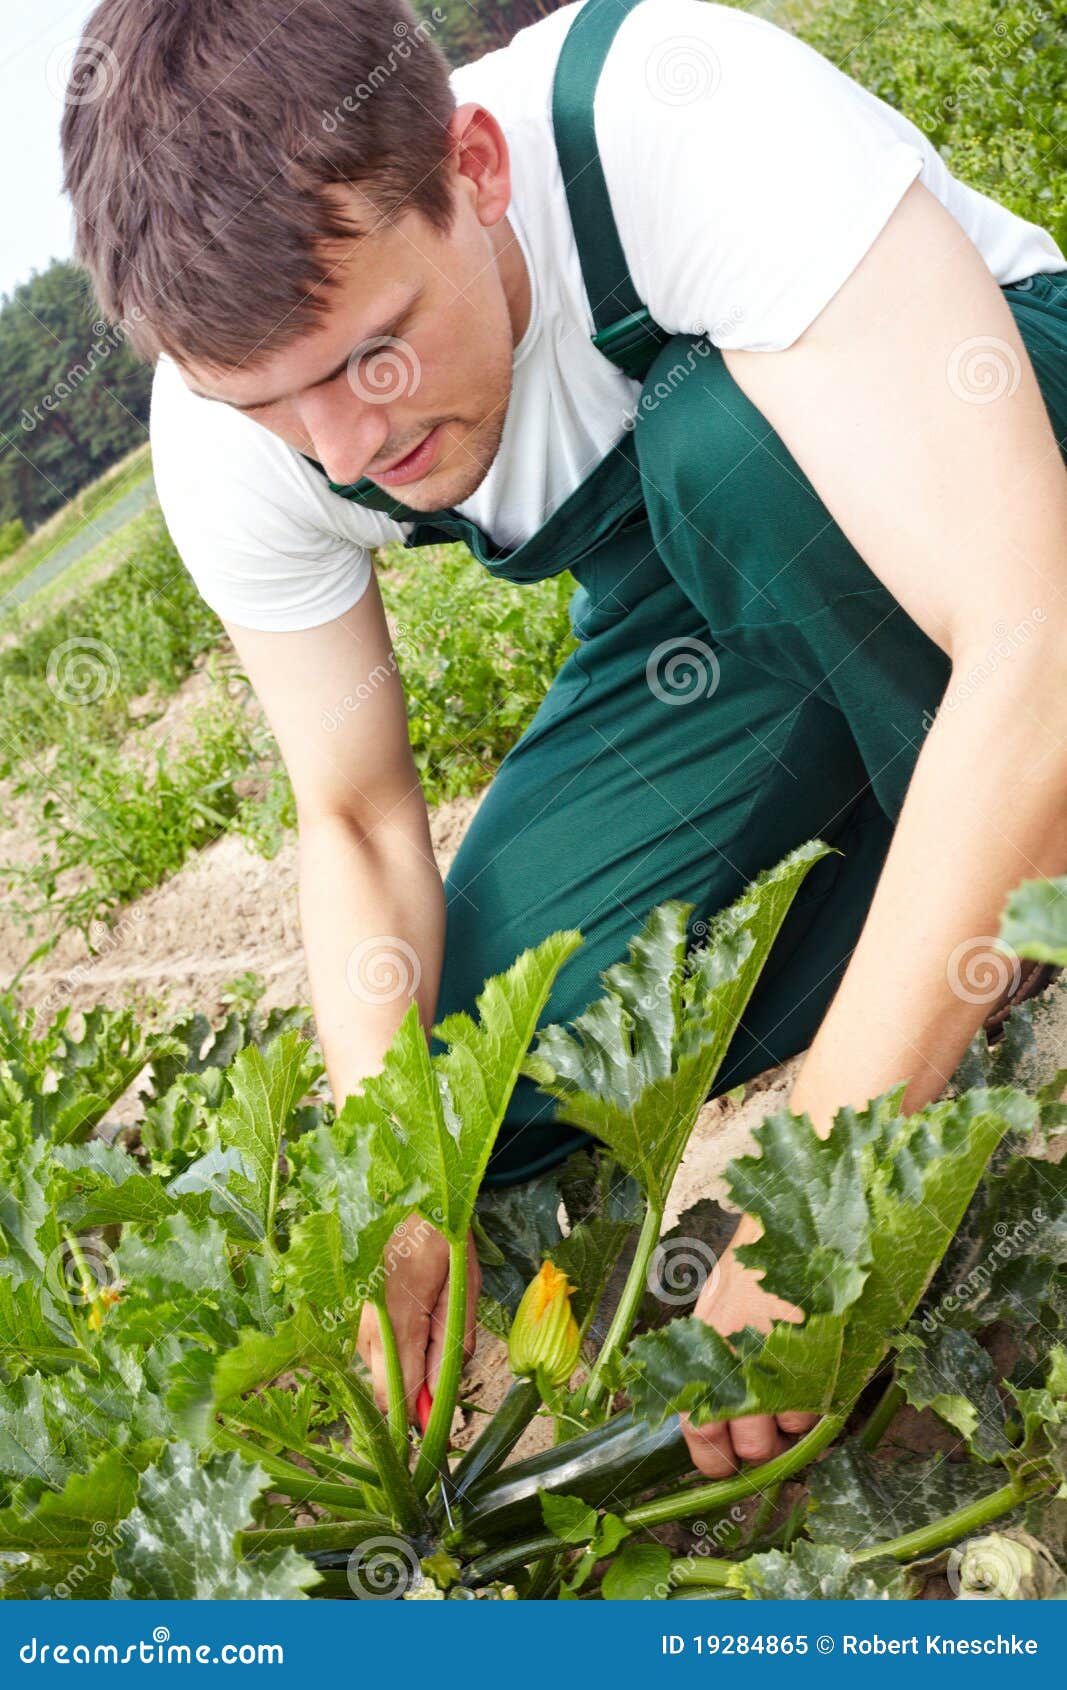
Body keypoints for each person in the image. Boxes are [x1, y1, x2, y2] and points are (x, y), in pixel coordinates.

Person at [61, 0, 1067, 1478]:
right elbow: (355, 820)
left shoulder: (680, 115)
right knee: (479, 1059)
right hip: (720, 617)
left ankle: (996, 891)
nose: (346, 447)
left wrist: (823, 1180)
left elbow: (1033, 634)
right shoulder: (235, 430)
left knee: (715, 449)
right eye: (274, 408)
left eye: (371, 355)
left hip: (1006, 504)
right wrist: (402, 1175)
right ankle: (970, 873)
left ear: (475, 165)